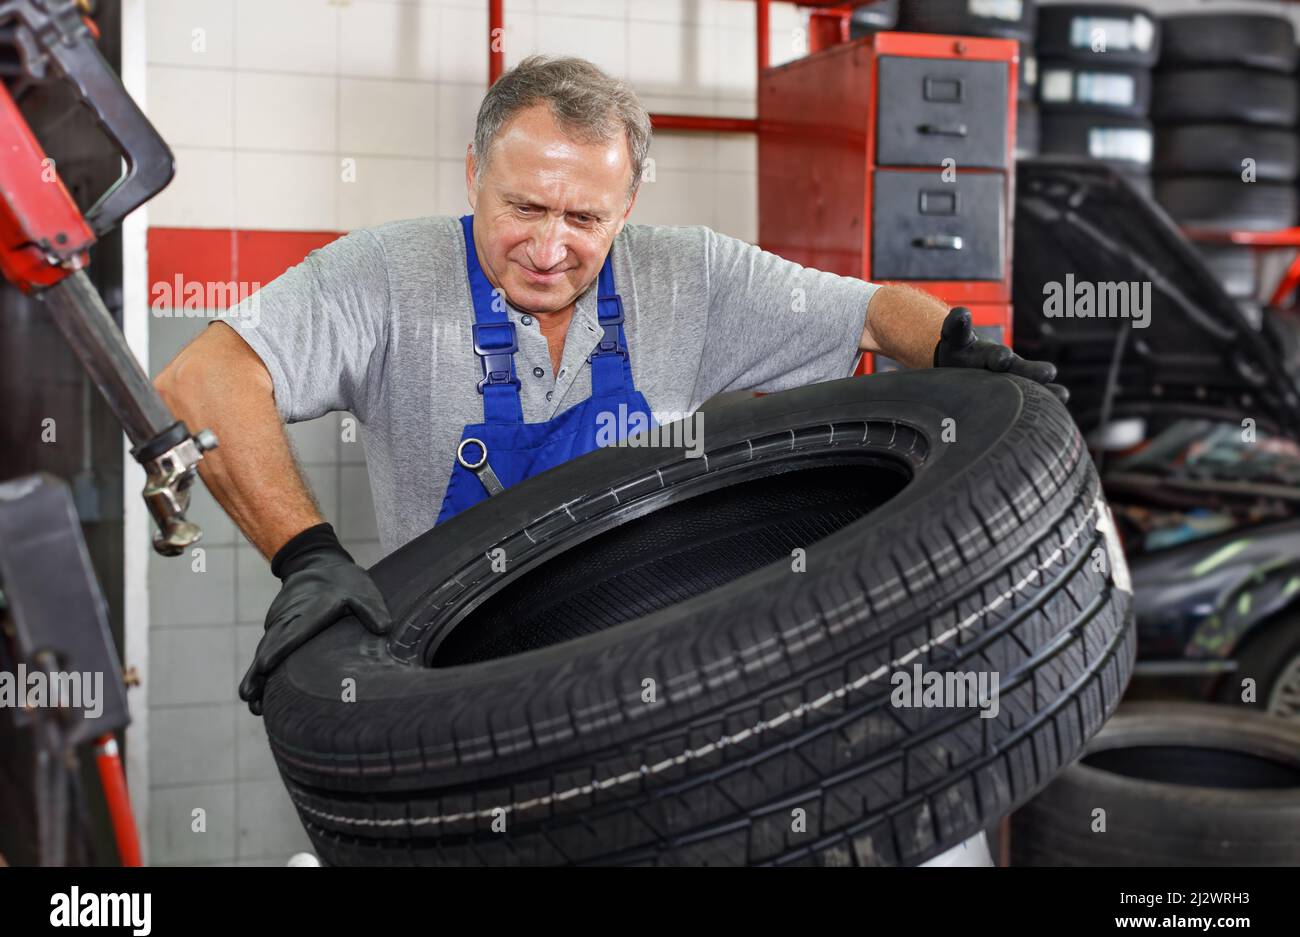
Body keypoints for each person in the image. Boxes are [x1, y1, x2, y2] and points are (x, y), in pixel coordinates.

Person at [154, 56, 1064, 713]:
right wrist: (306, 556)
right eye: (523, 208)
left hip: (649, 664)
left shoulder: (691, 278)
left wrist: (954, 347)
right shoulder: (384, 275)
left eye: (585, 217)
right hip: (454, 678)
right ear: (474, 176)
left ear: (628, 206)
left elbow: (867, 312)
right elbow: (203, 375)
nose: (550, 248)